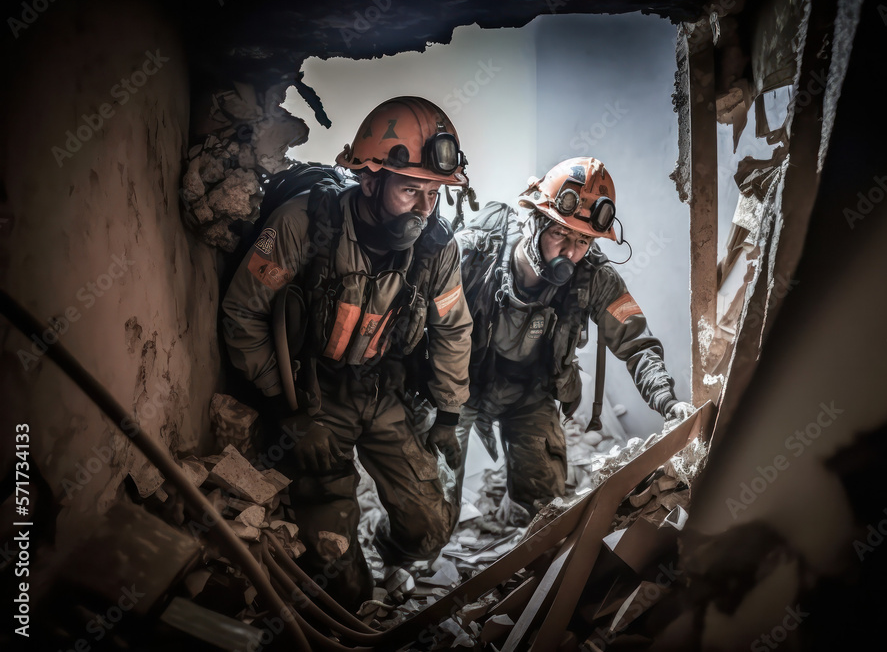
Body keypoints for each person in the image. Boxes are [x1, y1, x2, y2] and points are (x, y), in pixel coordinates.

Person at [221, 96, 472, 609]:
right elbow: (243, 315)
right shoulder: (302, 225)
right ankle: (344, 561)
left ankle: (387, 551)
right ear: (370, 179)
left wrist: (448, 412)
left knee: (429, 533)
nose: (425, 209)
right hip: (313, 398)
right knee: (344, 587)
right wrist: (289, 412)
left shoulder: (437, 247)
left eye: (435, 193)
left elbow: (452, 328)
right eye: (410, 190)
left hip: (382, 394)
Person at [453, 156, 695, 519]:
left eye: (583, 241)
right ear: (533, 221)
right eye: (560, 235)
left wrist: (665, 399)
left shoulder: (592, 276)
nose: (570, 253)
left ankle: (518, 566)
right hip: (457, 385)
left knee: (542, 507)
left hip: (528, 393)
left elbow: (637, 342)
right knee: (430, 519)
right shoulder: (473, 254)